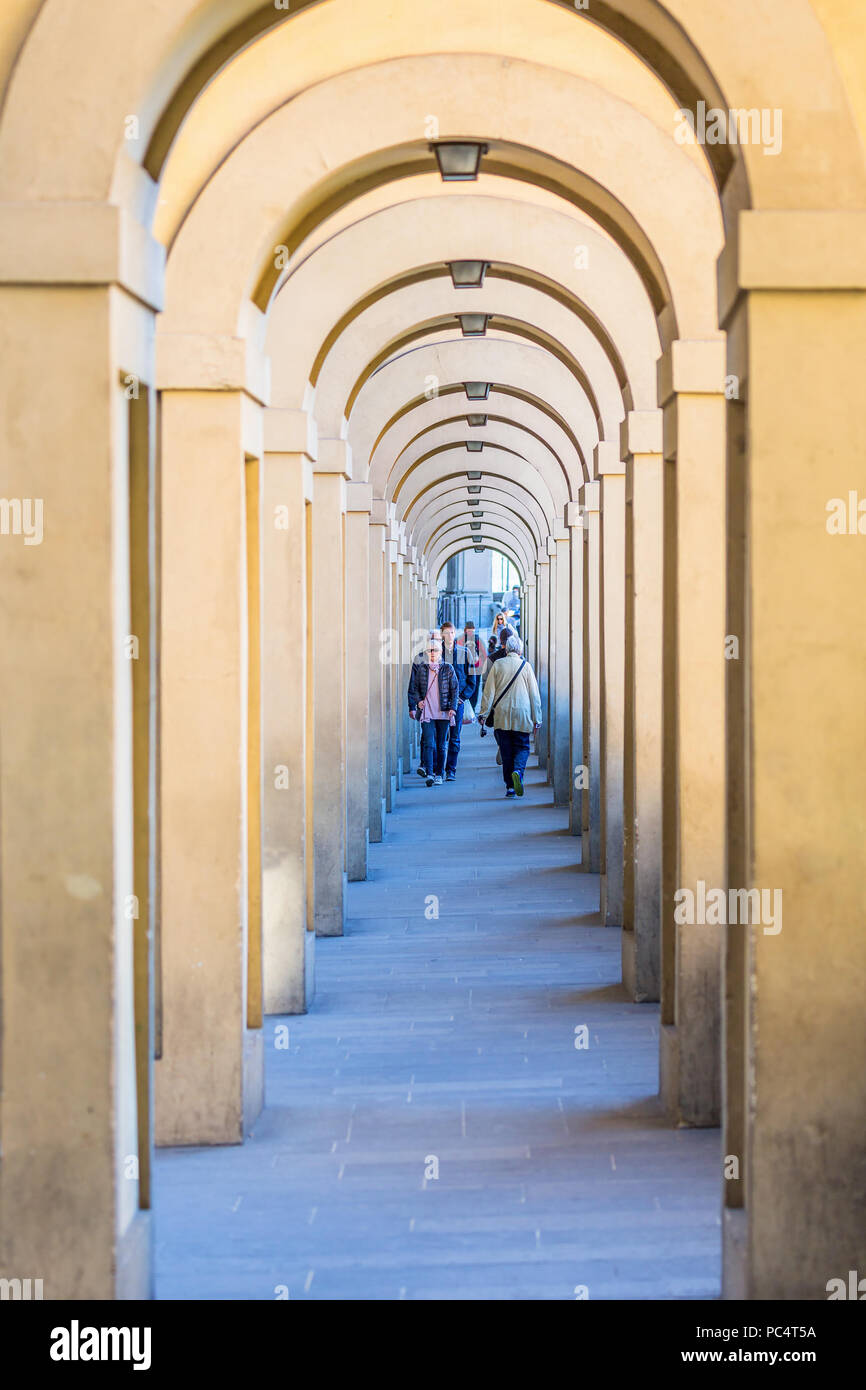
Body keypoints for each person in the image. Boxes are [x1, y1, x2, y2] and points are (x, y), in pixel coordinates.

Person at [478, 635, 542, 798]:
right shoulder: (525, 666)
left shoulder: (498, 665)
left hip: (502, 715)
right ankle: (518, 772)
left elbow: (488, 692)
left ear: (506, 649)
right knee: (523, 747)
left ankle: (510, 788)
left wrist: (483, 713)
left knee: (506, 752)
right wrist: (537, 719)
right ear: (520, 650)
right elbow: (534, 695)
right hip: (522, 715)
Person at [407, 635, 459, 786]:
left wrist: (452, 708)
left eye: (436, 650)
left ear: (441, 652)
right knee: (429, 743)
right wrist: (418, 701)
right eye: (430, 650)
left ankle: (439, 774)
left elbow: (454, 690)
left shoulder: (448, 669)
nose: (433, 653)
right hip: (427, 712)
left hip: (443, 712)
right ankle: (430, 773)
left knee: (441, 745)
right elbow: (414, 689)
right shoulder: (422, 669)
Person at [439, 621, 476, 781]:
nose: (449, 636)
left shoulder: (464, 652)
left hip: (458, 702)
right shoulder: (436, 652)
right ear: (442, 634)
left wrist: (462, 698)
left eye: (452, 633)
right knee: (440, 738)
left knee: (455, 737)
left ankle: (451, 770)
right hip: (439, 702)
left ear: (456, 634)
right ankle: (437, 770)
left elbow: (472, 679)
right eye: (446, 633)